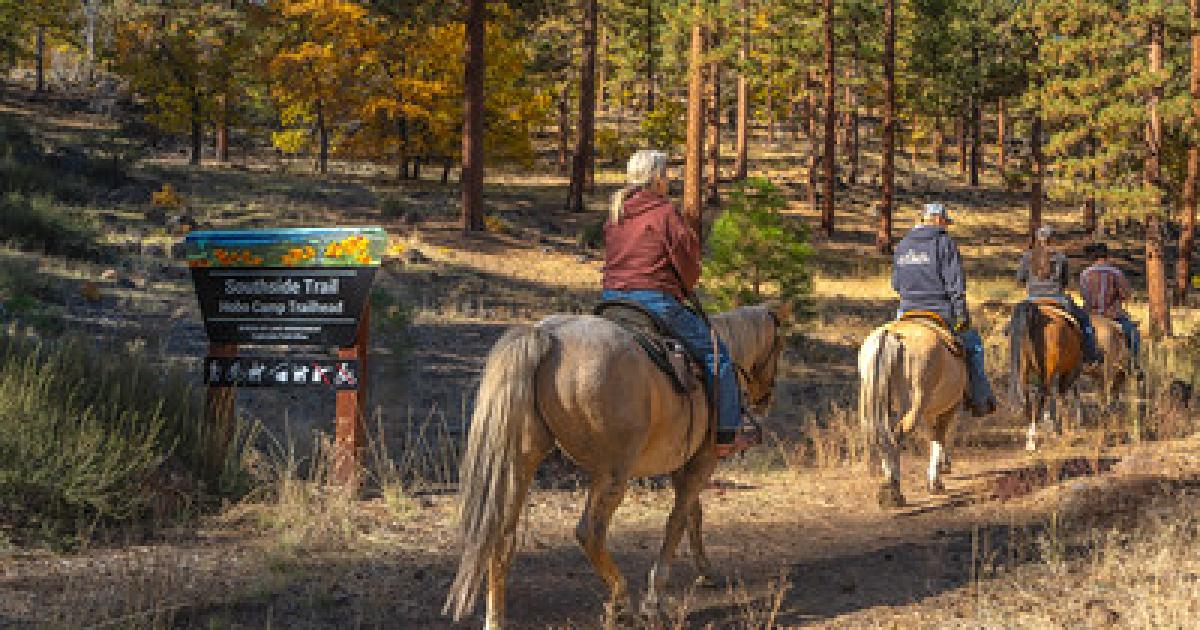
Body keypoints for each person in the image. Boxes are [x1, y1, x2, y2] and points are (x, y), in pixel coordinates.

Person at [601, 150, 760, 457]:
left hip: (611, 300)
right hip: (654, 302)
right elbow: (688, 261)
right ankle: (726, 436)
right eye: (666, 174)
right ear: (657, 178)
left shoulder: (617, 211)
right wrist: (685, 284)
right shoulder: (664, 212)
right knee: (718, 356)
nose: (669, 180)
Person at [892, 203, 997, 416]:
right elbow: (955, 284)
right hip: (938, 310)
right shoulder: (944, 242)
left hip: (906, 311)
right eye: (945, 222)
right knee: (974, 346)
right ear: (939, 219)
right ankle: (979, 399)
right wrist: (961, 314)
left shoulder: (903, 245)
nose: (946, 227)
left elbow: (895, 283)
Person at [1016, 226, 1101, 365]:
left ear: (1037, 239)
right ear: (1052, 239)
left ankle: (1010, 340)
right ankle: (1090, 354)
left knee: (1014, 323)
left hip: (1032, 299)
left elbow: (1020, 279)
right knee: (1084, 319)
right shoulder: (1060, 257)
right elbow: (1065, 281)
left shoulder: (1027, 257)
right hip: (1057, 298)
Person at [1079, 242, 1141, 371]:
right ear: (1107, 256)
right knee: (1133, 334)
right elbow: (1126, 294)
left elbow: (1083, 294)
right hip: (1113, 315)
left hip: (1091, 315)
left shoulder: (1085, 274)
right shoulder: (1116, 273)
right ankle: (1134, 365)